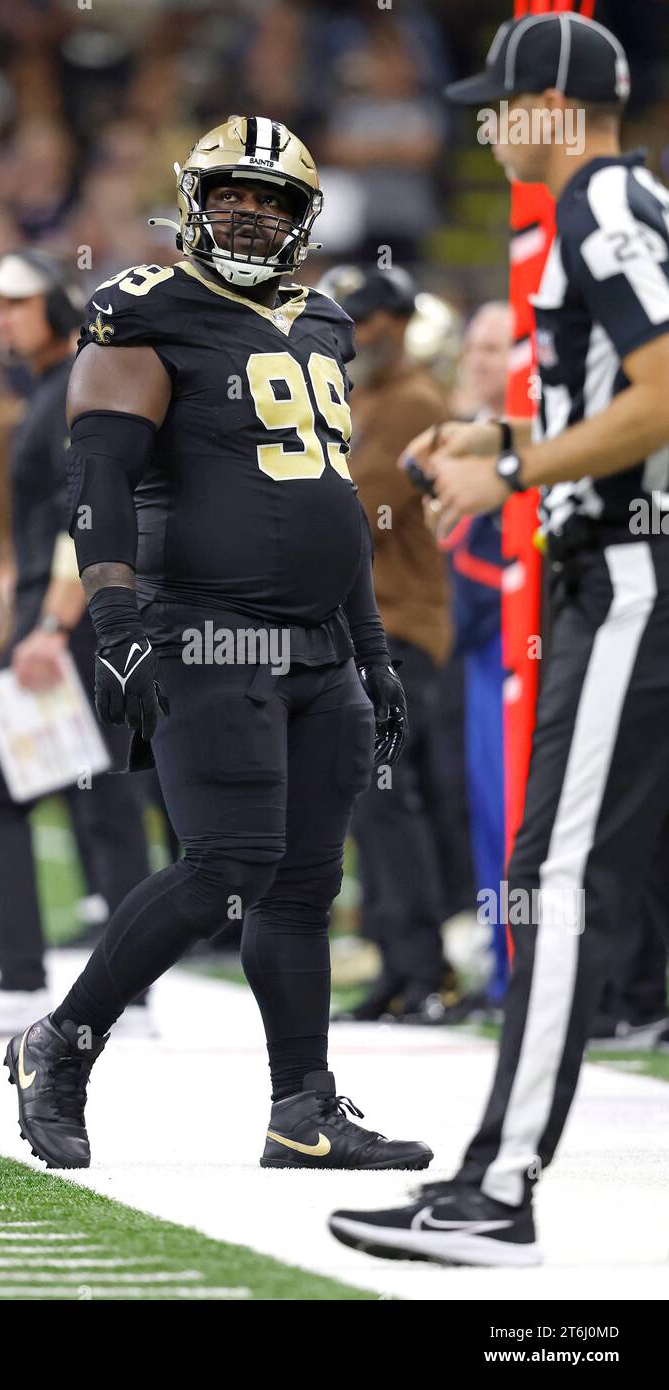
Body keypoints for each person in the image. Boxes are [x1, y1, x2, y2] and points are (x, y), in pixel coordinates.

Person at [4, 114, 432, 1173]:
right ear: (192, 201)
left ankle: (303, 1110)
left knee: (300, 886)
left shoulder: (324, 318)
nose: (251, 211)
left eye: (274, 199)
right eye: (233, 193)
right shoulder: (148, 307)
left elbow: (328, 503)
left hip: (318, 642)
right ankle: (59, 1043)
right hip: (204, 625)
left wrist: (370, 648)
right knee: (222, 867)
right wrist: (112, 618)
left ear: (303, 220)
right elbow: (96, 473)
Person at [330, 13, 669, 1266]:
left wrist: (517, 463)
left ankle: (498, 1188)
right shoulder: (612, 204)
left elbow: (661, 388)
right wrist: (494, 441)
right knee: (551, 875)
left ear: (551, 109)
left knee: (559, 883)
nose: (484, 127)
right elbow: (609, 388)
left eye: (498, 105)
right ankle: (490, 1179)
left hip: (631, 570)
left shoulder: (600, 202)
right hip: (616, 565)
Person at [0, 250, 152, 1037]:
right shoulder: (50, 386)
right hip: (61, 619)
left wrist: (53, 624)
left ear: (56, 307)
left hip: (67, 625)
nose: (0, 317)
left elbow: (89, 512)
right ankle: (122, 994)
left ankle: (30, 981)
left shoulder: (75, 385)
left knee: (15, 795)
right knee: (99, 798)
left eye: (16, 303)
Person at [324, 265, 457, 1025]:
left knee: (389, 799)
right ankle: (400, 968)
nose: (357, 332)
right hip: (373, 628)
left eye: (369, 318)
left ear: (401, 323)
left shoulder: (411, 401)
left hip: (403, 625)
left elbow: (356, 501)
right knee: (373, 803)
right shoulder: (367, 397)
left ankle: (427, 972)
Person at [440, 301, 514, 1013]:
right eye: (478, 345)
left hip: (517, 642)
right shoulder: (459, 430)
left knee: (518, 811)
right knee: (485, 812)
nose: (482, 358)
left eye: (499, 346)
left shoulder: (541, 438)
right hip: (466, 644)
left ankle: (525, 970)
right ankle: (500, 965)